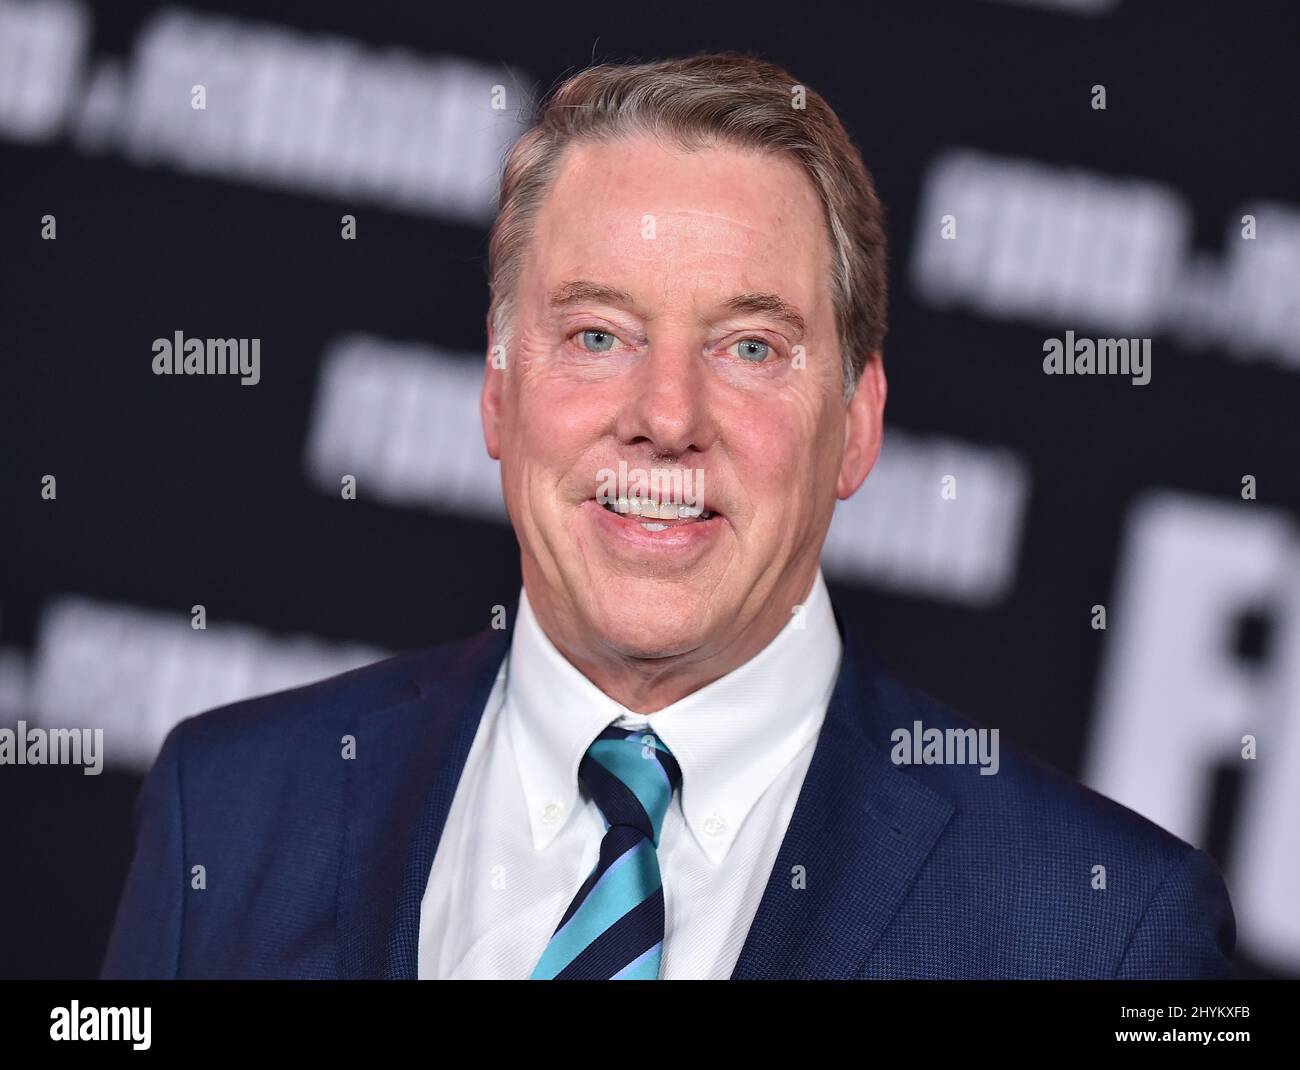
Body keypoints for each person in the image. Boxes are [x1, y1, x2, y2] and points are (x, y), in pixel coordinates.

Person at [101, 52, 1235, 980]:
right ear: (497, 387)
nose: (665, 414)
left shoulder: (1105, 932)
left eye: (749, 347)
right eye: (597, 334)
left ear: (856, 423)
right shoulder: (233, 805)